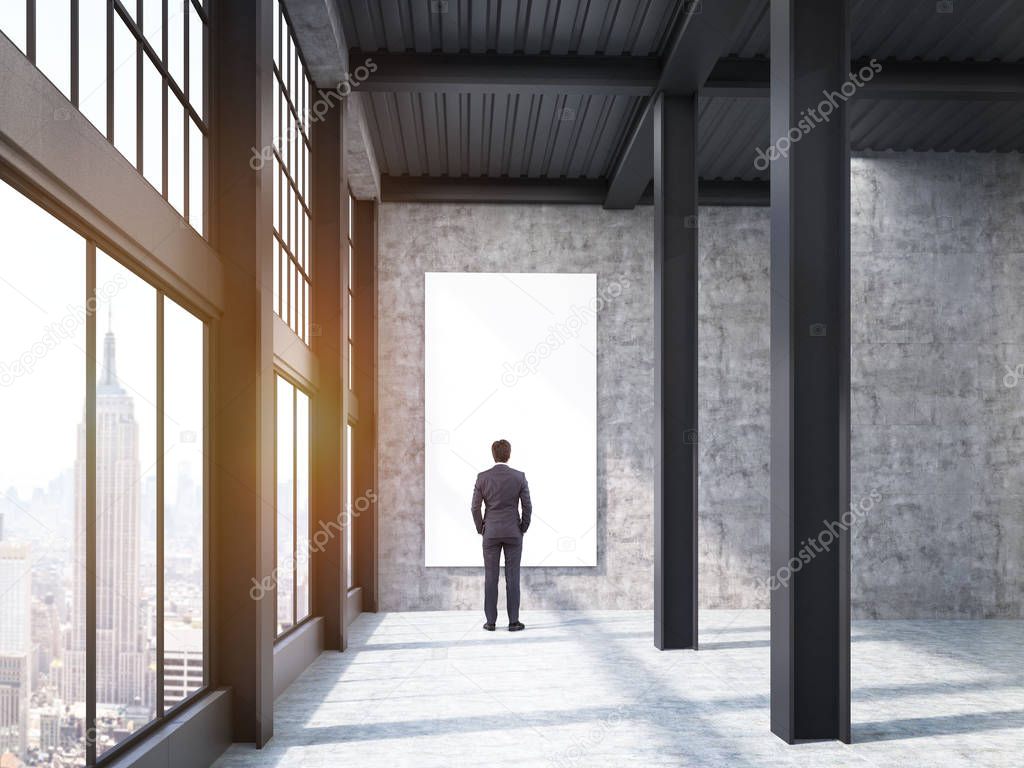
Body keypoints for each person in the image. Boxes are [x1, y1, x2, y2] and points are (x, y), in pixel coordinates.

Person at [471, 439, 532, 631]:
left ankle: (490, 623)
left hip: (491, 532)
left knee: (491, 577)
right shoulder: (519, 477)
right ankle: (513, 622)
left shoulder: (482, 477)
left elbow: (474, 507)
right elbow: (527, 506)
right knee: (513, 577)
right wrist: (522, 527)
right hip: (513, 531)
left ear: (493, 454)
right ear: (509, 454)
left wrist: (481, 528)